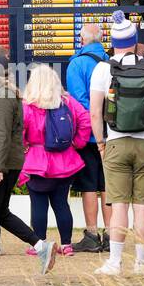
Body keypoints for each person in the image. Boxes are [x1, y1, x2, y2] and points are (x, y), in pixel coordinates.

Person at [90, 12, 144, 276]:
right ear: (134, 40)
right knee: (142, 206)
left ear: (114, 42)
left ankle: (115, 262)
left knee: (119, 206)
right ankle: (141, 264)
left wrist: (101, 143)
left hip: (116, 142)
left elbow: (95, 111)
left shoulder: (103, 69)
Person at [0, 54, 58, 277]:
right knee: (0, 213)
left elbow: (5, 134)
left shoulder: (3, 96)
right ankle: (40, 247)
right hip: (2, 159)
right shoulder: (4, 94)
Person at [19, 64, 91, 255]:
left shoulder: (28, 106)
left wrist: (25, 145)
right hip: (65, 160)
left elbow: (18, 131)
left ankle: (40, 244)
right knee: (61, 204)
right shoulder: (67, 102)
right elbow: (85, 119)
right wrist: (77, 143)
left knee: (38, 205)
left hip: (36, 162)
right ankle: (67, 244)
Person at [65, 23, 111, 251]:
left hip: (88, 136)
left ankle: (92, 235)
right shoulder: (113, 61)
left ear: (81, 40)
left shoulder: (76, 64)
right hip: (114, 133)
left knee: (89, 185)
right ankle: (112, 235)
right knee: (109, 185)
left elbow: (77, 103)